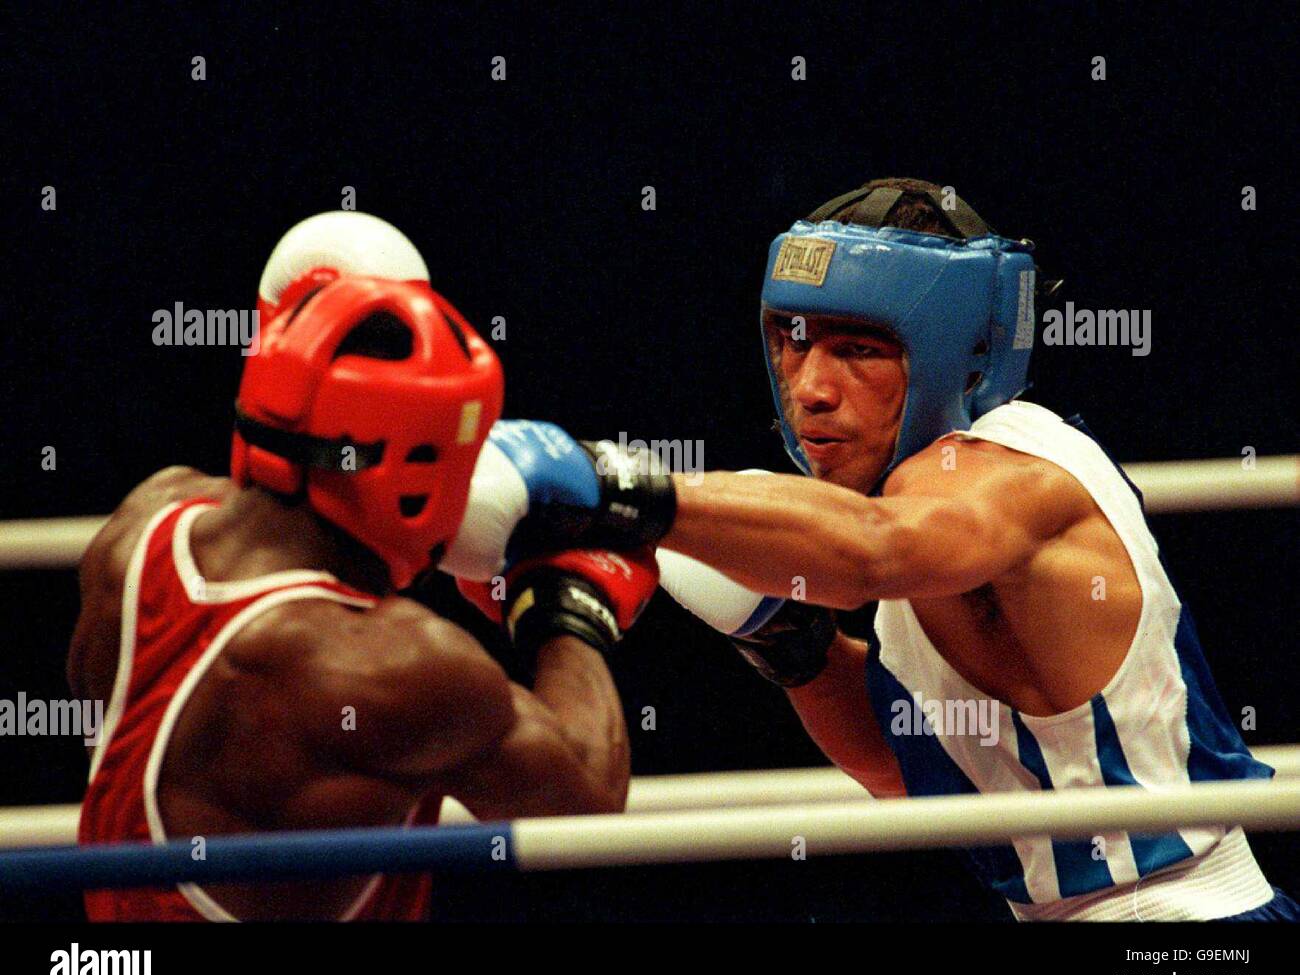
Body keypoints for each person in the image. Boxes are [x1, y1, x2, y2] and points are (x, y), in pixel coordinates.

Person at [479, 179, 1296, 921]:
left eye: (859, 349)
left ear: (957, 353)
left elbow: (877, 550)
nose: (809, 386)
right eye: (792, 341)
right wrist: (788, 646)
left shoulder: (1006, 471)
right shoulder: (919, 508)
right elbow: (909, 774)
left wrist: (611, 485)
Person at [69, 213, 657, 921]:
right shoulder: (396, 665)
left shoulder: (142, 527)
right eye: (462, 459)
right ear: (413, 475)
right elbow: (585, 797)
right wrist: (568, 599)